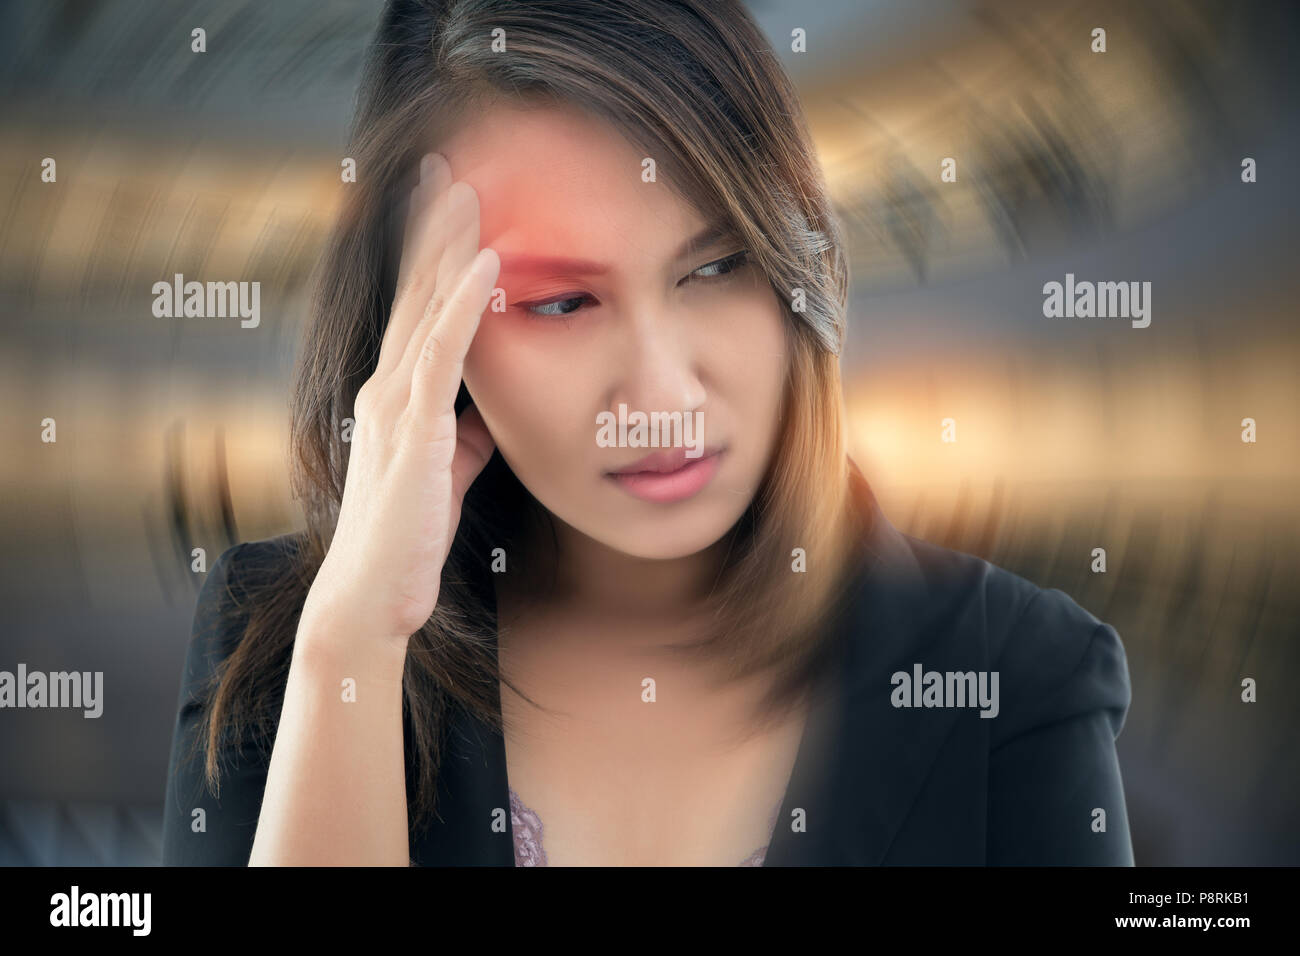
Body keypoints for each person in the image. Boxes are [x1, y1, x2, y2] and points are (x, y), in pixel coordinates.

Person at [161, 0, 1133, 867]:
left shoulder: (1018, 674)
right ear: (421, 331)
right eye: (562, 301)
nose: (662, 388)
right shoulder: (289, 644)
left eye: (715, 269)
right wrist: (355, 646)